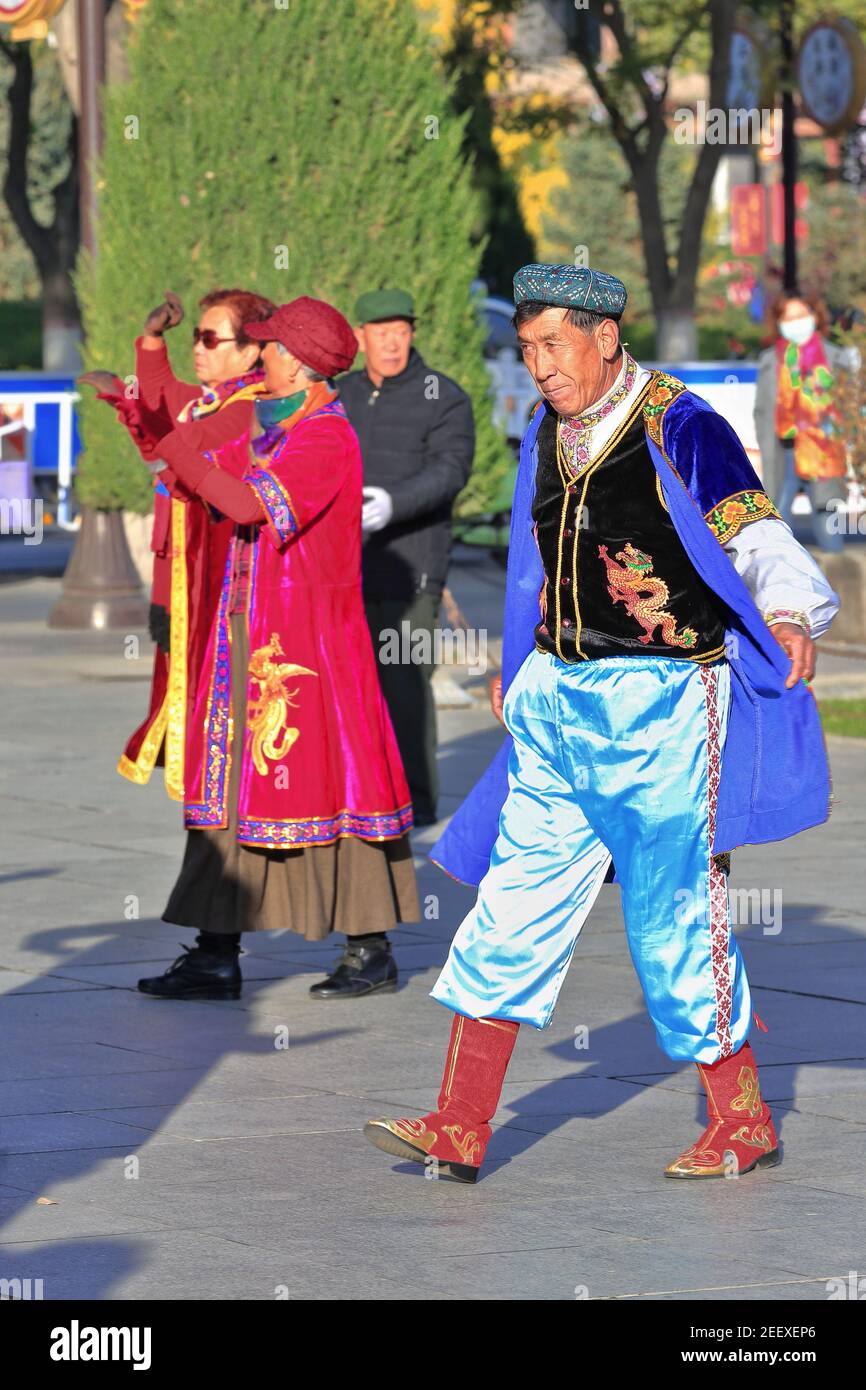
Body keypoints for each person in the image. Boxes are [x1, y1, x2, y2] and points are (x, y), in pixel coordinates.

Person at [365, 263, 839, 1184]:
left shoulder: (681, 422)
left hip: (664, 704)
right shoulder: (546, 430)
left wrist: (786, 614)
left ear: (606, 337)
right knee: (512, 904)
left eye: (555, 345)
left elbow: (755, 534)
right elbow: (532, 562)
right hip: (562, 701)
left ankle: (742, 1119)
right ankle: (459, 1123)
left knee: (672, 913)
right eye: (528, 347)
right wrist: (520, 662)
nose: (539, 366)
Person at [109, 296, 419, 1001]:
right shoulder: (277, 428)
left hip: (308, 647)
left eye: (271, 348)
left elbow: (246, 504)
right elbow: (202, 471)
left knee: (336, 787)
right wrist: (157, 424)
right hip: (248, 636)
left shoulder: (324, 437)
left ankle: (369, 948)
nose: (261, 357)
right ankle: (215, 953)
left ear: (302, 366)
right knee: (223, 791)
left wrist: (175, 445)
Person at [81, 287, 276, 799]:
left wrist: (131, 412)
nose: (199, 347)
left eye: (211, 338)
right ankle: (201, 787)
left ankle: (213, 793)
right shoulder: (213, 401)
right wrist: (150, 340)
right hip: (183, 564)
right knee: (177, 668)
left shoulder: (245, 409)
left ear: (251, 350)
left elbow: (177, 445)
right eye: (196, 335)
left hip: (215, 574)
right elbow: (163, 398)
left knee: (204, 683)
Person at [338, 289, 475, 826]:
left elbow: (450, 470)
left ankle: (416, 802)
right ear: (361, 337)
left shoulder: (442, 396)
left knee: (404, 680)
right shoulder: (339, 393)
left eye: (401, 330)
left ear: (412, 333)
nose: (392, 341)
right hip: (344, 568)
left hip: (413, 568)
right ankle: (359, 792)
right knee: (349, 683)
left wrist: (393, 504)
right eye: (380, 331)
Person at [754, 289, 855, 553]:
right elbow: (762, 410)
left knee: (827, 519)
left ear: (814, 316)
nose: (796, 322)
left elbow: (850, 405)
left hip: (824, 450)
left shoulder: (836, 357)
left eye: (801, 315)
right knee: (778, 520)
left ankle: (840, 580)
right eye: (788, 318)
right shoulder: (770, 360)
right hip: (784, 449)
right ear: (778, 323)